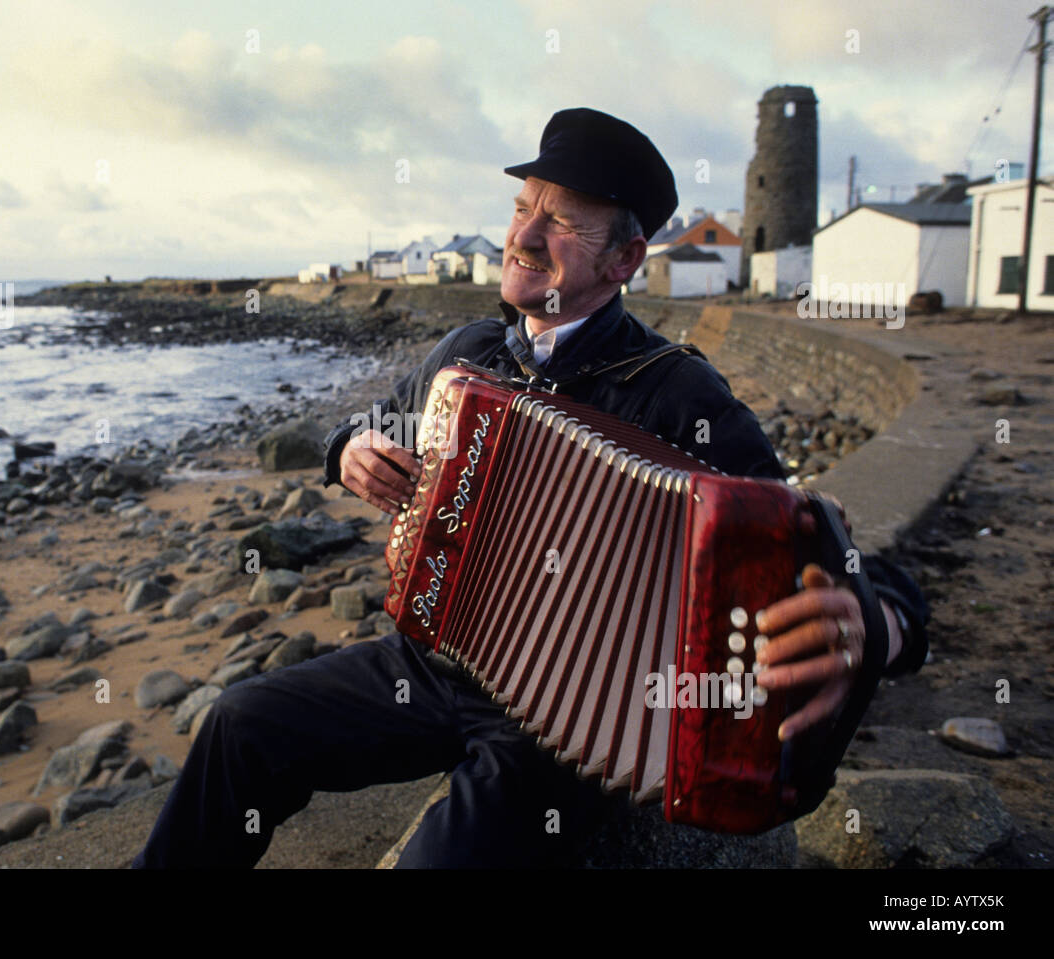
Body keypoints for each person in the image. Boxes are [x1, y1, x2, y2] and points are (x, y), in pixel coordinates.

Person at [131, 108, 929, 869]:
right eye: (522, 209)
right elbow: (369, 427)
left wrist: (879, 619)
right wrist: (350, 451)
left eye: (562, 223)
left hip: (557, 720)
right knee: (241, 726)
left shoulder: (677, 395)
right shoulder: (469, 351)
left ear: (624, 261)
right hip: (432, 660)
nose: (522, 236)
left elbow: (821, 541)